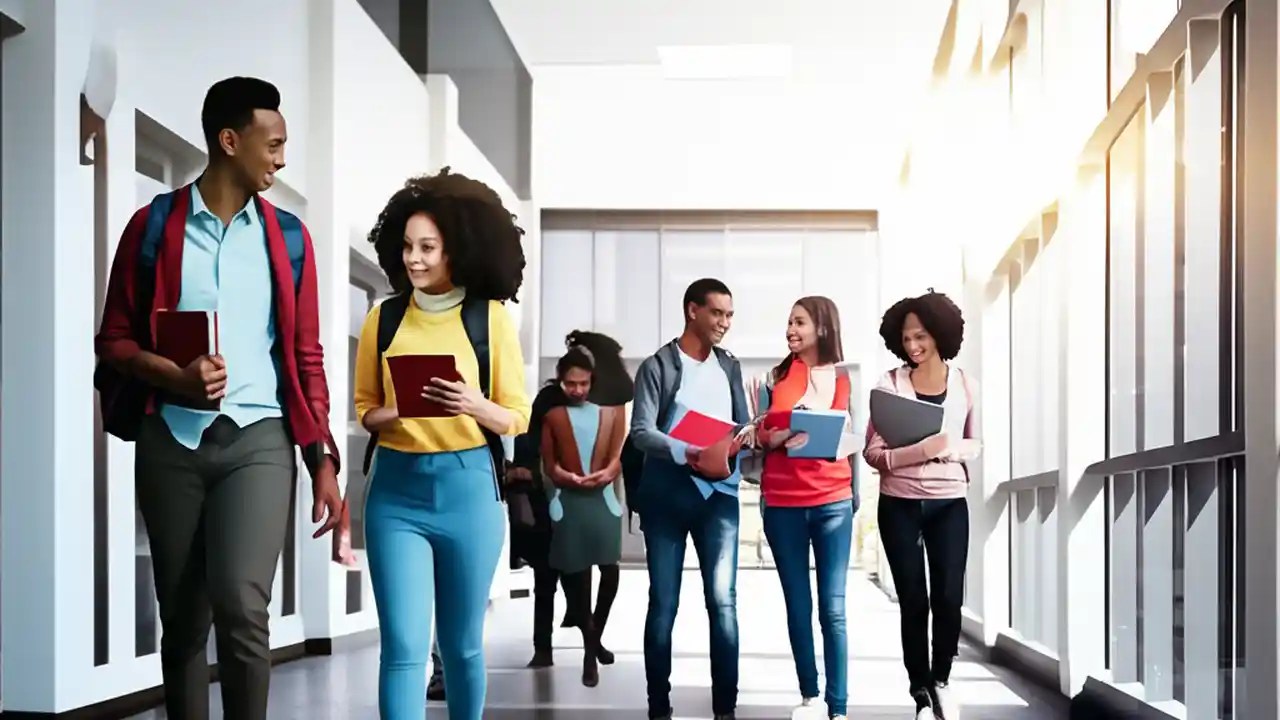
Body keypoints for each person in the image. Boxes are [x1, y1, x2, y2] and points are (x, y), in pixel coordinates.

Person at [94, 77, 344, 720]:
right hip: (170, 441)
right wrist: (173, 377)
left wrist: (322, 460)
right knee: (181, 620)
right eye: (274, 143)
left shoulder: (289, 240)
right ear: (230, 142)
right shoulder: (152, 227)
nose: (282, 158)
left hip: (259, 439)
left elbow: (307, 356)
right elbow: (113, 339)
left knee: (240, 604)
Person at [353, 169, 531, 720]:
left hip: (469, 491)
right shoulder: (382, 319)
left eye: (427, 247)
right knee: (404, 649)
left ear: (456, 250)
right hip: (395, 494)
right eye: (407, 247)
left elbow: (517, 417)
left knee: (461, 645)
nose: (414, 259)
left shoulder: (490, 319)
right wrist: (402, 407)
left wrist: (474, 405)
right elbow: (364, 411)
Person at [631, 278, 749, 720]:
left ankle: (725, 710)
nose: (724, 323)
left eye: (730, 315)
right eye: (717, 313)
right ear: (692, 311)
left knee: (723, 602)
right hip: (667, 496)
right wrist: (687, 450)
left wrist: (741, 441)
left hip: (718, 495)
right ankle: (659, 709)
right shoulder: (657, 366)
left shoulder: (730, 366)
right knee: (664, 602)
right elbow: (641, 431)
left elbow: (740, 426)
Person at [863, 290, 981, 720]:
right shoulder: (888, 386)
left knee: (949, 598)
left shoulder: (967, 385)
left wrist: (947, 451)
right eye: (906, 338)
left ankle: (943, 679)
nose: (913, 346)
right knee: (914, 600)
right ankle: (921, 693)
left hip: (950, 504)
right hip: (899, 506)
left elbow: (975, 443)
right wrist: (920, 451)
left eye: (922, 336)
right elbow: (874, 454)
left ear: (940, 335)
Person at [753, 297, 860, 720]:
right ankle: (810, 696)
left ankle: (839, 707)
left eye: (799, 322)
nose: (790, 330)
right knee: (798, 605)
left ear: (822, 327)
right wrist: (778, 434)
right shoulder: (775, 377)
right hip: (783, 503)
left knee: (833, 608)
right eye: (789, 323)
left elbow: (846, 438)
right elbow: (757, 431)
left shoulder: (842, 379)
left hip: (833, 501)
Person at [540, 346, 627, 687]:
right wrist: (568, 479)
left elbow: (619, 456)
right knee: (577, 578)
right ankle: (590, 652)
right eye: (570, 383)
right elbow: (549, 466)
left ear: (593, 380)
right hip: (570, 501)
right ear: (560, 381)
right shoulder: (553, 416)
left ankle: (594, 639)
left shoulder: (611, 412)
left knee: (610, 571)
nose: (577, 389)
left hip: (603, 500)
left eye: (584, 383)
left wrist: (606, 475)